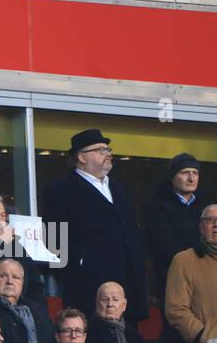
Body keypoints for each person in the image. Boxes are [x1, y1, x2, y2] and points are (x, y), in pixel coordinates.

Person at [42, 128, 149, 322]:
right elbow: (54, 238)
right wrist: (81, 262)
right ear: (82, 157)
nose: (108, 154)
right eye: (101, 150)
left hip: (127, 286)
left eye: (108, 149)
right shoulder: (61, 190)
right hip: (88, 288)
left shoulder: (117, 188)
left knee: (127, 342)